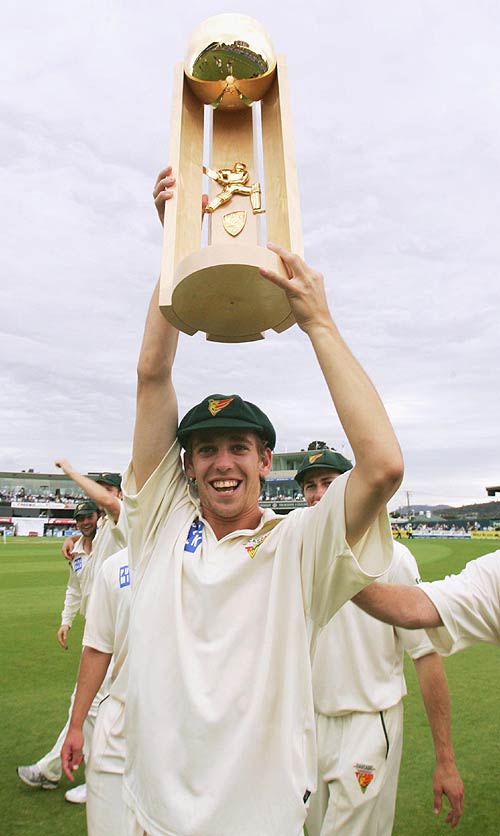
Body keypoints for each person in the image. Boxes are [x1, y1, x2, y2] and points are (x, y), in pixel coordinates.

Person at [117, 167, 404, 836]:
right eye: (206, 448)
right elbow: (152, 374)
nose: (222, 463)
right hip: (152, 821)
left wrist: (318, 323)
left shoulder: (299, 546)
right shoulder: (159, 526)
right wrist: (178, 247)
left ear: (265, 461)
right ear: (185, 463)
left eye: (238, 447)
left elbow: (384, 466)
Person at [294, 448, 463, 835]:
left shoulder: (395, 559)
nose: (318, 494)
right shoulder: (300, 553)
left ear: (350, 487)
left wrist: (446, 759)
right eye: (310, 486)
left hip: (368, 723)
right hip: (310, 725)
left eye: (328, 484)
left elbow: (426, 656)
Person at [17, 465, 128, 804]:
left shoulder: (120, 528)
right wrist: (66, 620)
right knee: (90, 706)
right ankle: (59, 770)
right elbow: (73, 590)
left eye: (107, 491)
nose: (84, 521)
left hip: (121, 632)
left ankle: (84, 777)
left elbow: (113, 510)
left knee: (92, 705)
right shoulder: (79, 546)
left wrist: (70, 471)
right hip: (96, 634)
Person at [61, 547, 132, 835]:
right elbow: (96, 648)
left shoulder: (198, 554)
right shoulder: (114, 566)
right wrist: (75, 726)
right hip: (118, 730)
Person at [354, 550, 500, 653]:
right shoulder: (494, 570)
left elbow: (414, 611)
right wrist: (342, 569)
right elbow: (414, 608)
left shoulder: (398, 556)